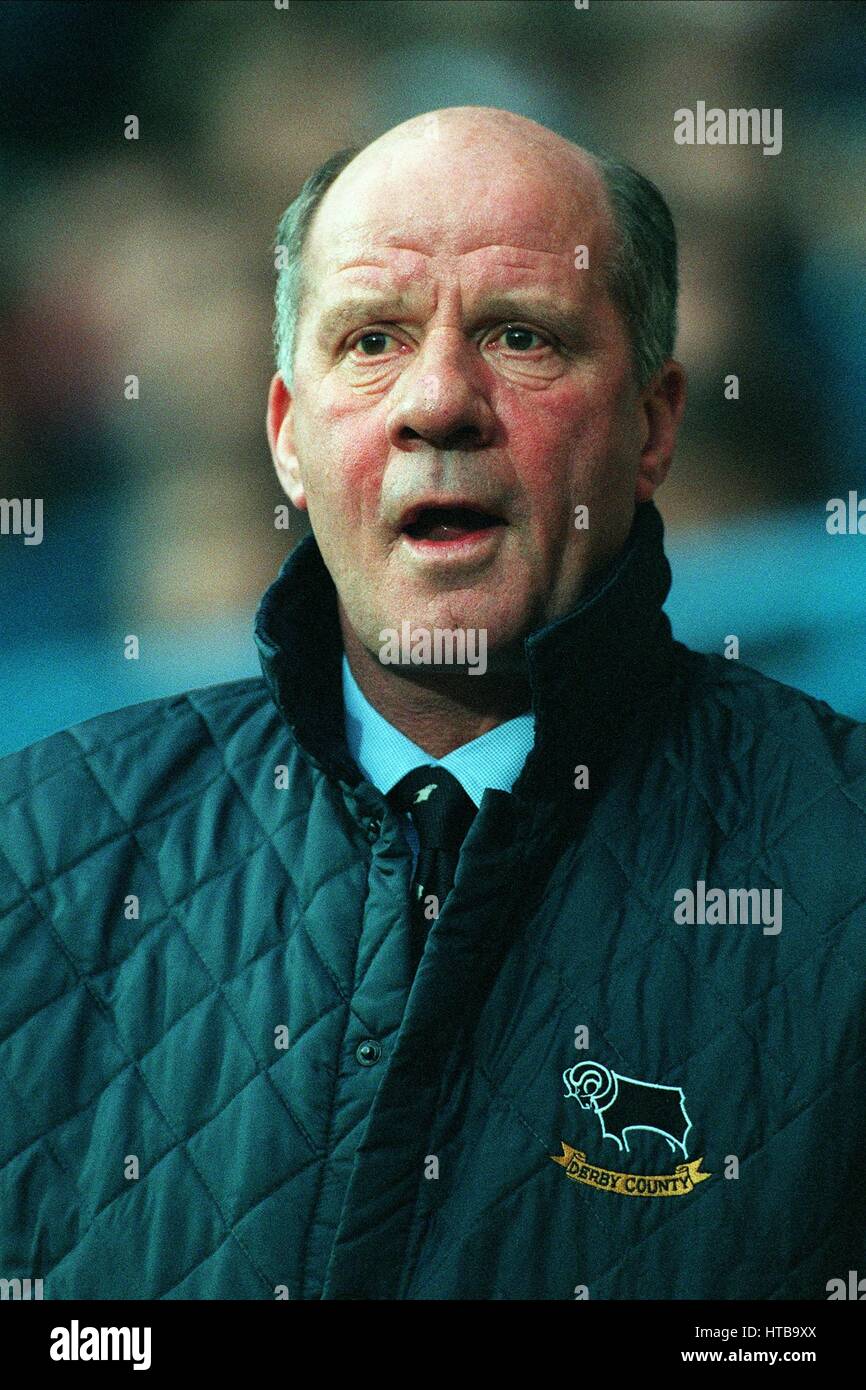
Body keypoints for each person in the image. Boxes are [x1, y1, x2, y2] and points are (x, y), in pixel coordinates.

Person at [1, 106, 864, 1302]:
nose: (438, 401)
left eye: (520, 335)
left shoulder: (843, 856)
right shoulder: (35, 851)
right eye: (369, 339)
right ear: (288, 437)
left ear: (654, 423)